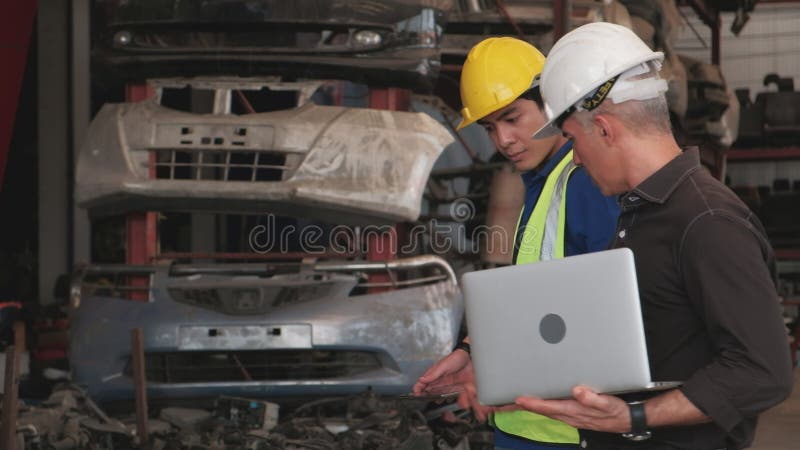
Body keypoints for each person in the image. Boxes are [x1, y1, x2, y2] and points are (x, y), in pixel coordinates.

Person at [512, 22, 794, 450]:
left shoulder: (707, 221)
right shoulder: (640, 212)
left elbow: (762, 371)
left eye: (571, 140)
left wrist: (634, 416)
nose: (575, 158)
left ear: (604, 129)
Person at [413, 37, 620, 449]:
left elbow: (607, 313)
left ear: (552, 103)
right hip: (526, 425)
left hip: (565, 432)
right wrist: (475, 352)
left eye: (512, 118)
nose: (503, 140)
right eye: (491, 127)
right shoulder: (543, 185)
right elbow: (539, 298)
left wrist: (505, 369)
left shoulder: (583, 184)